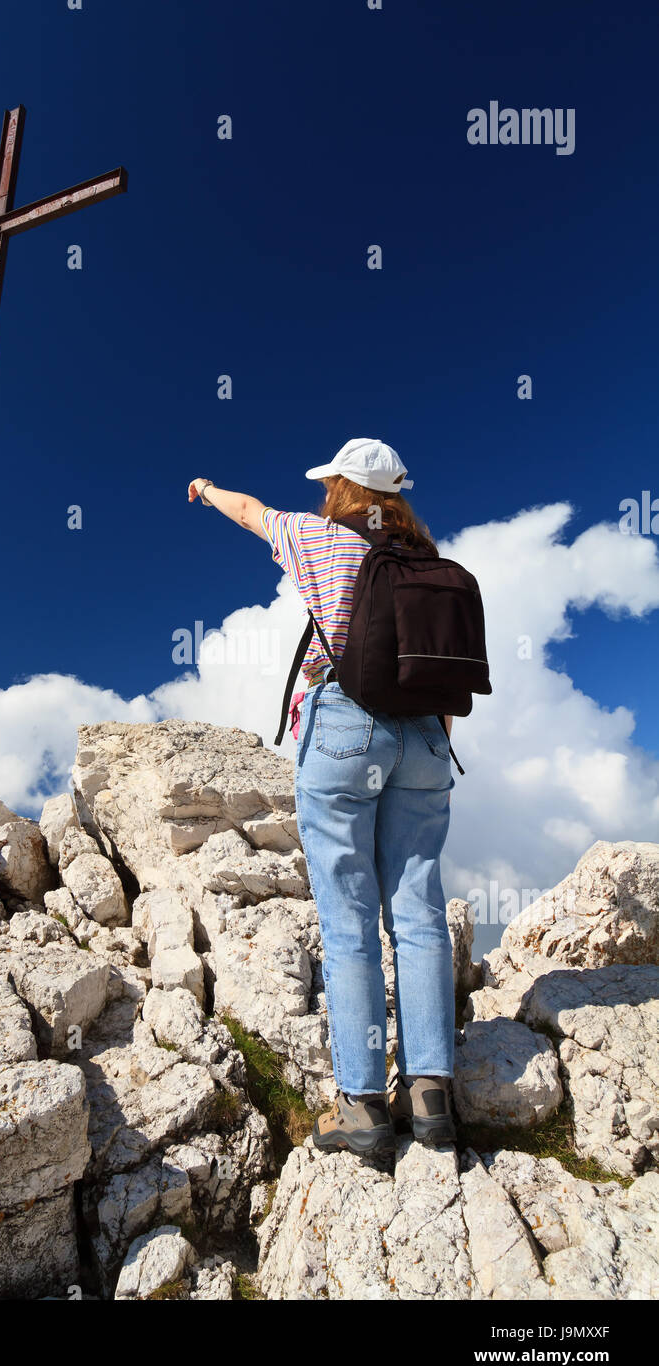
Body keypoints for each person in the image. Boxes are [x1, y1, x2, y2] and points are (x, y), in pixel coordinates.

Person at [188, 438, 458, 1160]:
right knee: (421, 912)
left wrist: (207, 487)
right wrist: (427, 737)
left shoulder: (319, 538)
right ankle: (431, 1093)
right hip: (429, 739)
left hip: (345, 729)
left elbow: (251, 513)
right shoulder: (429, 561)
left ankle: (362, 1104)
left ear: (343, 490)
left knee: (348, 921)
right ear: (394, 494)